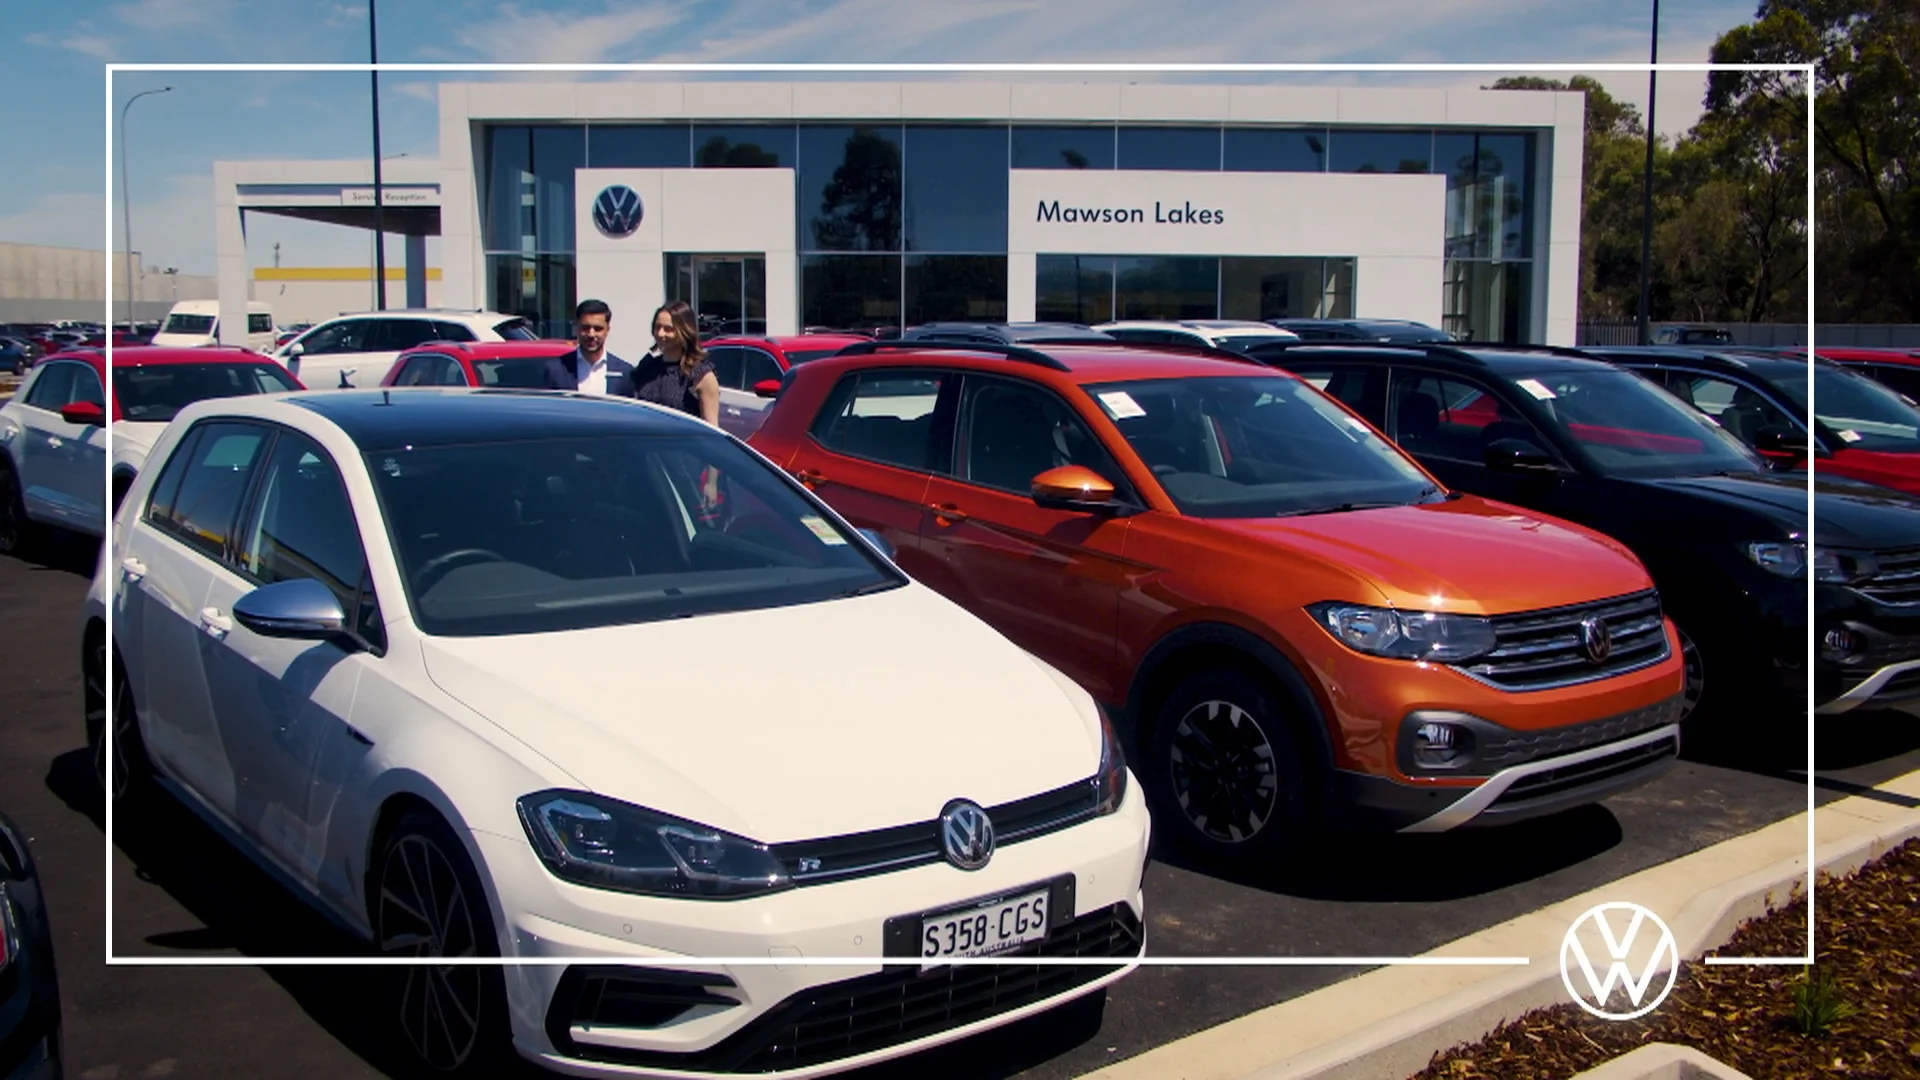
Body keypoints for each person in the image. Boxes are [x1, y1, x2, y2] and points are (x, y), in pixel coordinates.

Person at [631, 301, 720, 427]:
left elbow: (711, 428)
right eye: (657, 327)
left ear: (685, 330)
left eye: (668, 329)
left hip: (682, 444)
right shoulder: (648, 367)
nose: (661, 334)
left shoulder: (700, 374)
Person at [543, 299, 638, 396]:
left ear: (607, 330)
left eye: (598, 329)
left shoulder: (625, 372)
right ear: (576, 328)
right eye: (585, 328)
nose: (591, 334)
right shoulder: (556, 370)